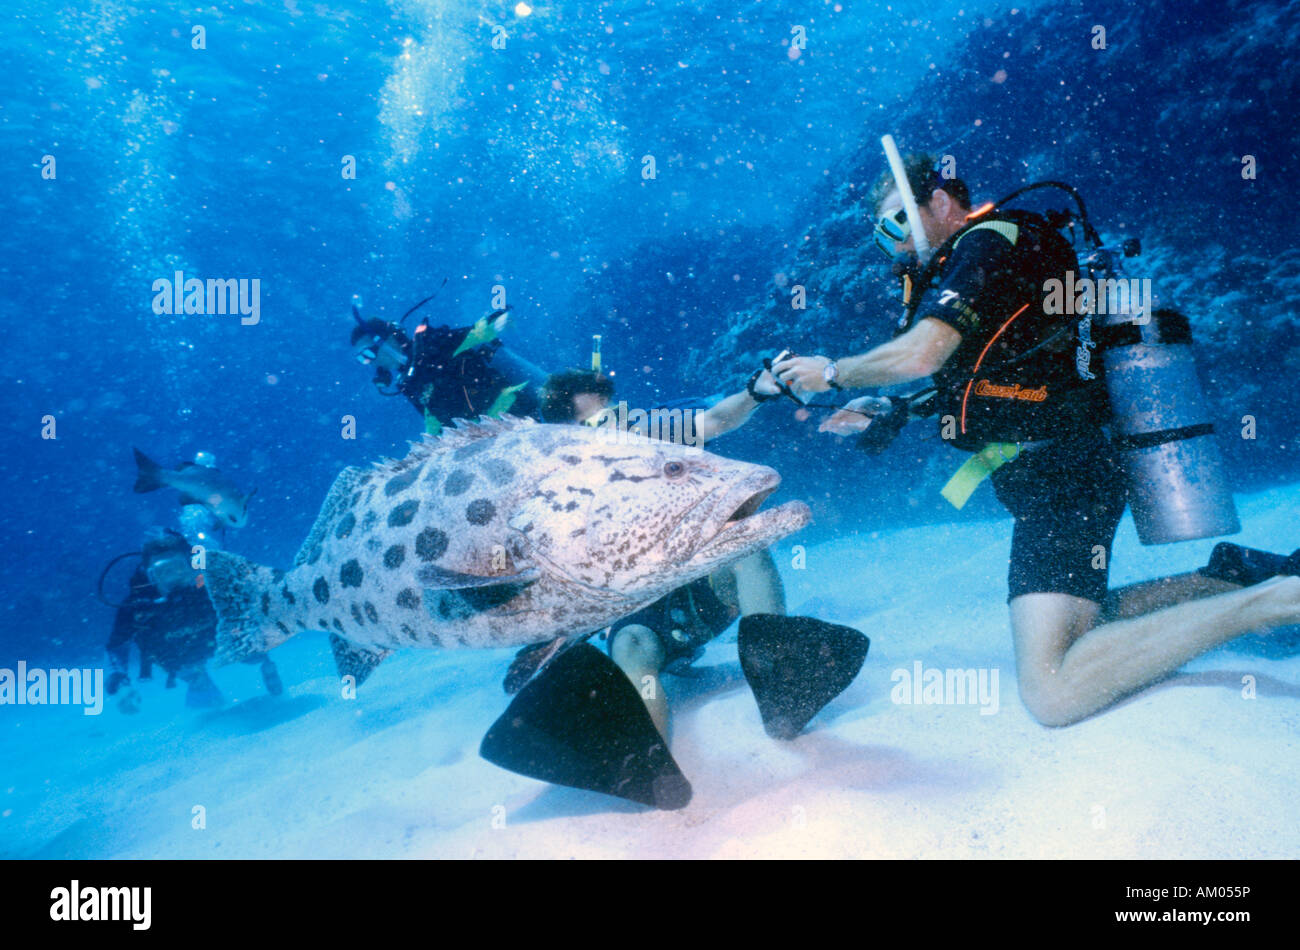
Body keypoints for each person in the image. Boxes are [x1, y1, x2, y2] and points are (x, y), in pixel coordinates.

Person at [772, 152, 1300, 727]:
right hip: (1048, 467)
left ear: (942, 204)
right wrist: (896, 407)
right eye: (881, 231)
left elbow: (924, 352)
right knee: (1085, 623)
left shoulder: (987, 243)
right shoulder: (988, 254)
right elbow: (1001, 374)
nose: (891, 240)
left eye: (899, 220)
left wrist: (834, 370)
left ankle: (1275, 602)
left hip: (1065, 478)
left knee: (1053, 692)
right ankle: (1226, 576)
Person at [482, 367, 870, 809]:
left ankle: (785, 691)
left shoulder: (644, 437)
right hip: (639, 620)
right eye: (595, 424)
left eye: (614, 415)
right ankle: (649, 768)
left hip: (695, 592)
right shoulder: (548, 489)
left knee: (747, 551)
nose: (612, 429)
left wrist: (755, 392)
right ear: (565, 433)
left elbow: (713, 421)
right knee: (631, 648)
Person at [106, 528, 282, 712]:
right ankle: (201, 688)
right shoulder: (139, 606)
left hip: (220, 641)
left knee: (252, 655)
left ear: (191, 566)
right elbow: (115, 648)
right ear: (150, 576)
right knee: (196, 683)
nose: (172, 579)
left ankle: (265, 665)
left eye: (178, 569)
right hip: (180, 658)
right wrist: (119, 683)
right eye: (163, 572)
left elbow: (254, 603)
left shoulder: (212, 587)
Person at [351, 306, 544, 434]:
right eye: (363, 359)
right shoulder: (409, 383)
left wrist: (493, 322)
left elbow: (473, 334)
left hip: (517, 418)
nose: (370, 362)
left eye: (369, 353)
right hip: (485, 437)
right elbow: (433, 422)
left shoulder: (433, 345)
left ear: (388, 339)